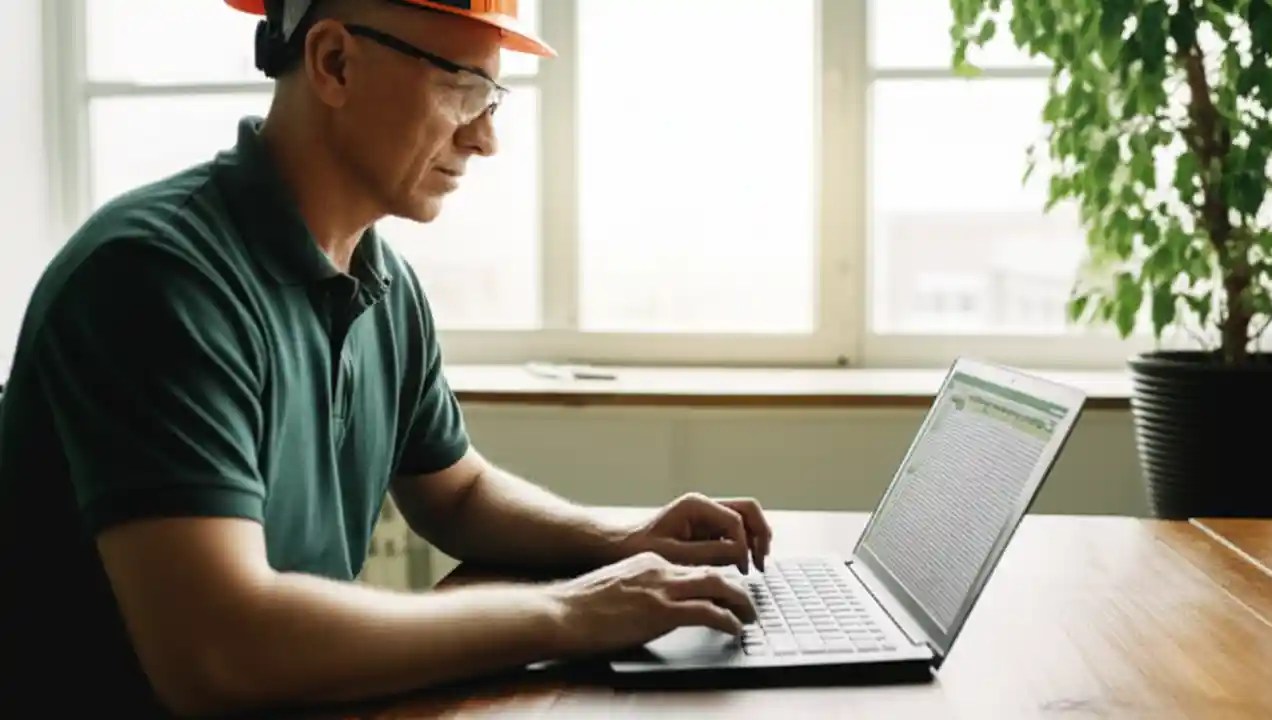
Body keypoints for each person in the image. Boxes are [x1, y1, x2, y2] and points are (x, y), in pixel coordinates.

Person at [0, 0, 773, 716]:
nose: (485, 136)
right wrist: (568, 614)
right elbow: (217, 651)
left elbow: (457, 493)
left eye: (492, 101)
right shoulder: (157, 281)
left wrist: (622, 542)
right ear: (335, 62)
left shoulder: (381, 278)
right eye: (464, 88)